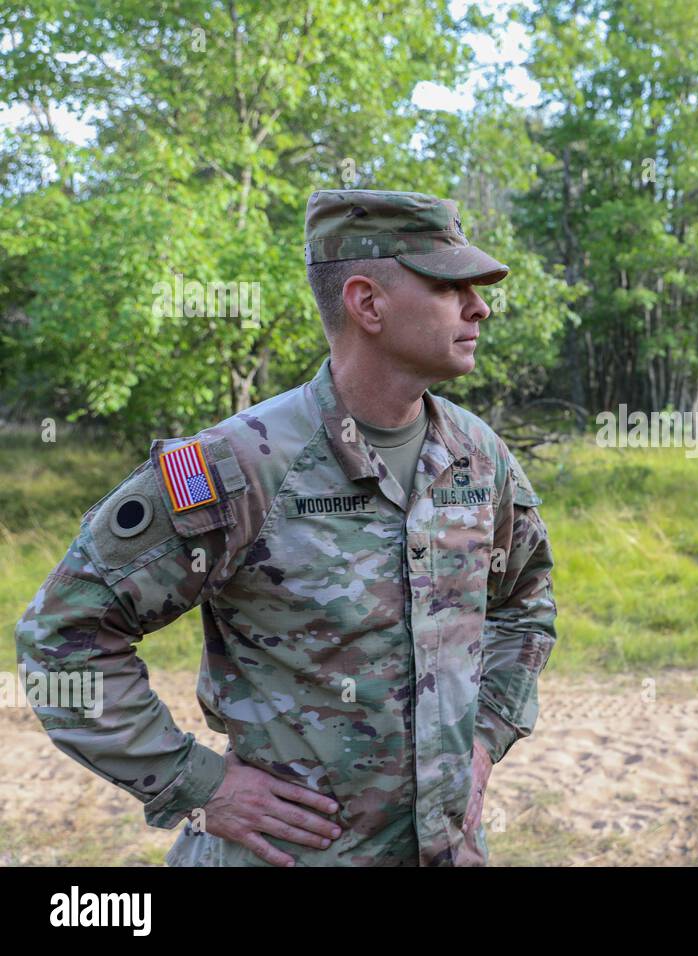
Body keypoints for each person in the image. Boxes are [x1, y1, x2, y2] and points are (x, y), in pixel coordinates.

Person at [15, 189, 558, 867]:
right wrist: (198, 784)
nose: (480, 306)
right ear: (367, 303)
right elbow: (62, 639)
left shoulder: (478, 455)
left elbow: (525, 606)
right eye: (451, 286)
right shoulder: (237, 466)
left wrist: (484, 740)